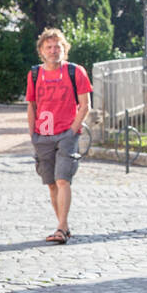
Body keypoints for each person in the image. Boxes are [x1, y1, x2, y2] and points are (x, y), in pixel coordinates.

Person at [25, 27, 92, 245]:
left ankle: (61, 228)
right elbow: (32, 106)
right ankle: (63, 224)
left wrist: (73, 129)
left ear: (65, 49)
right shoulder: (35, 74)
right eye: (49, 47)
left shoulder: (75, 71)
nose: (54, 51)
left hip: (66, 134)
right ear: (42, 52)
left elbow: (85, 105)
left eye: (58, 46)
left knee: (63, 179)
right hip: (42, 136)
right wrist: (33, 134)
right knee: (51, 183)